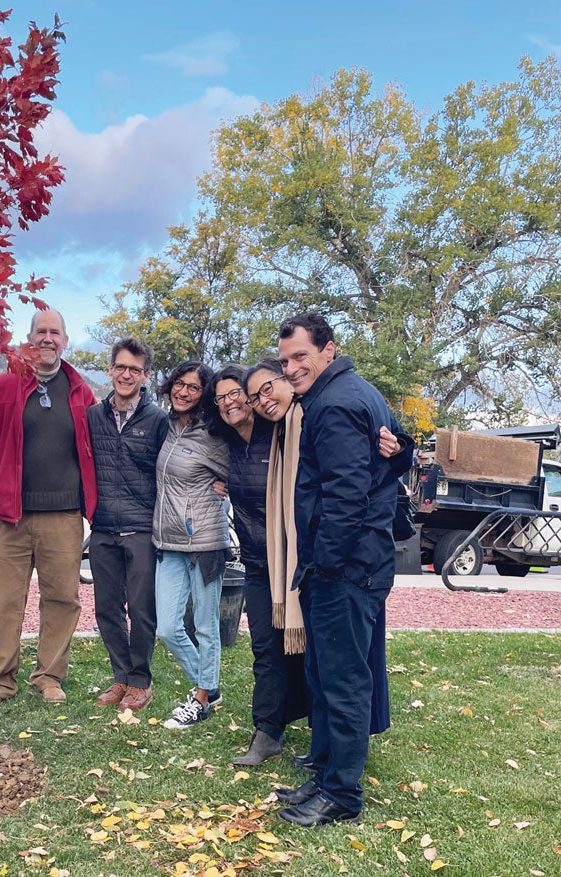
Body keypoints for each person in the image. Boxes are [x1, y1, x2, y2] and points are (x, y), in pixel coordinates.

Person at [272, 313, 409, 827]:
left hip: (347, 568)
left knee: (344, 679)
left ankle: (343, 796)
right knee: (325, 674)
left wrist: (324, 563)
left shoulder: (335, 403)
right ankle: (326, 773)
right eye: (285, 361)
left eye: (300, 357)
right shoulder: (356, 393)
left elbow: (345, 494)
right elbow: (400, 451)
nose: (291, 369)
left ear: (329, 350)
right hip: (354, 563)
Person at [0, 309, 97, 711]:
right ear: (28, 338)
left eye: (54, 332)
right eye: (40, 331)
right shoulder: (5, 385)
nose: (47, 338)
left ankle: (49, 677)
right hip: (11, 515)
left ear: (65, 340)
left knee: (62, 598)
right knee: (5, 601)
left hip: (64, 515)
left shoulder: (81, 391)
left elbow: (98, 449)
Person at [205, 363, 309, 765]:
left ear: (250, 400)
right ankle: (267, 731)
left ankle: (322, 727)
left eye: (237, 394)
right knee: (265, 647)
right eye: (222, 397)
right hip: (257, 562)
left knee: (304, 645)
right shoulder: (228, 445)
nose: (230, 403)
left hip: (293, 560)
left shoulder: (280, 432)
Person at [88, 338, 168, 712]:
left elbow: (174, 467)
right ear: (110, 370)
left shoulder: (158, 420)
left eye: (134, 369)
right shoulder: (93, 416)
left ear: (145, 375)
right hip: (103, 526)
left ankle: (140, 681)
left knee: (140, 609)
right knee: (106, 607)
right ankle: (120, 677)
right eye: (120, 367)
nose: (126, 374)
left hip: (140, 529)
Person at [153, 361, 232, 729]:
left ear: (204, 394)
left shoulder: (214, 434)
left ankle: (200, 698)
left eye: (194, 387)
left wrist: (228, 487)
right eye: (179, 384)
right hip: (168, 541)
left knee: (205, 625)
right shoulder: (167, 427)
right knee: (167, 627)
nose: (183, 392)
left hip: (205, 542)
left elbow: (243, 471)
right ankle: (210, 684)